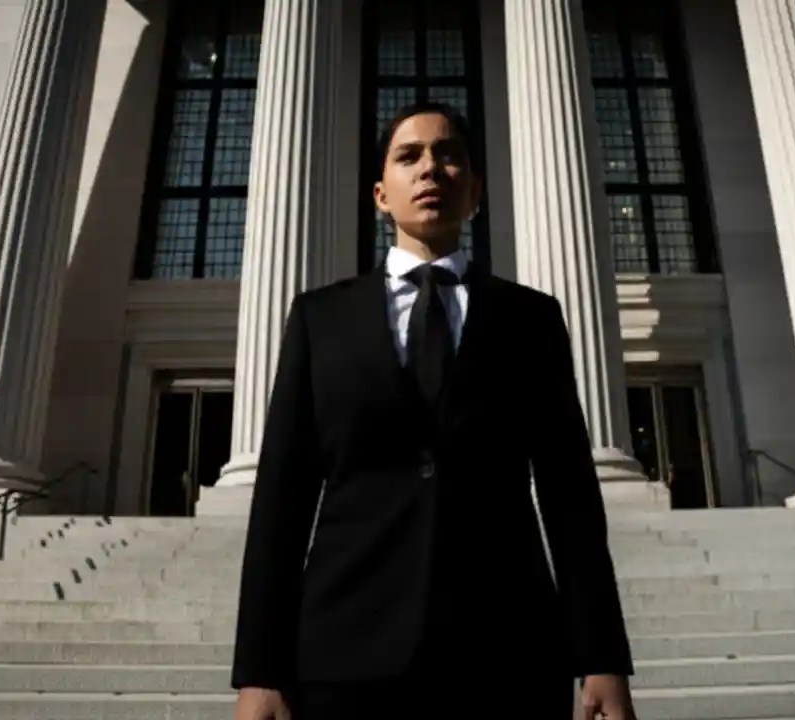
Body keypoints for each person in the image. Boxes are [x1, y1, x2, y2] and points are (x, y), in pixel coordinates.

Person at [230, 101, 638, 720]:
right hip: (344, 654)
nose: (431, 169)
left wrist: (601, 656)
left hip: (505, 654)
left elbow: (570, 496)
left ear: (475, 191)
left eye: (449, 155)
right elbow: (281, 501)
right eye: (409, 156)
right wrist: (259, 673)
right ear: (380, 194)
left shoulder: (532, 318)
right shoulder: (320, 319)